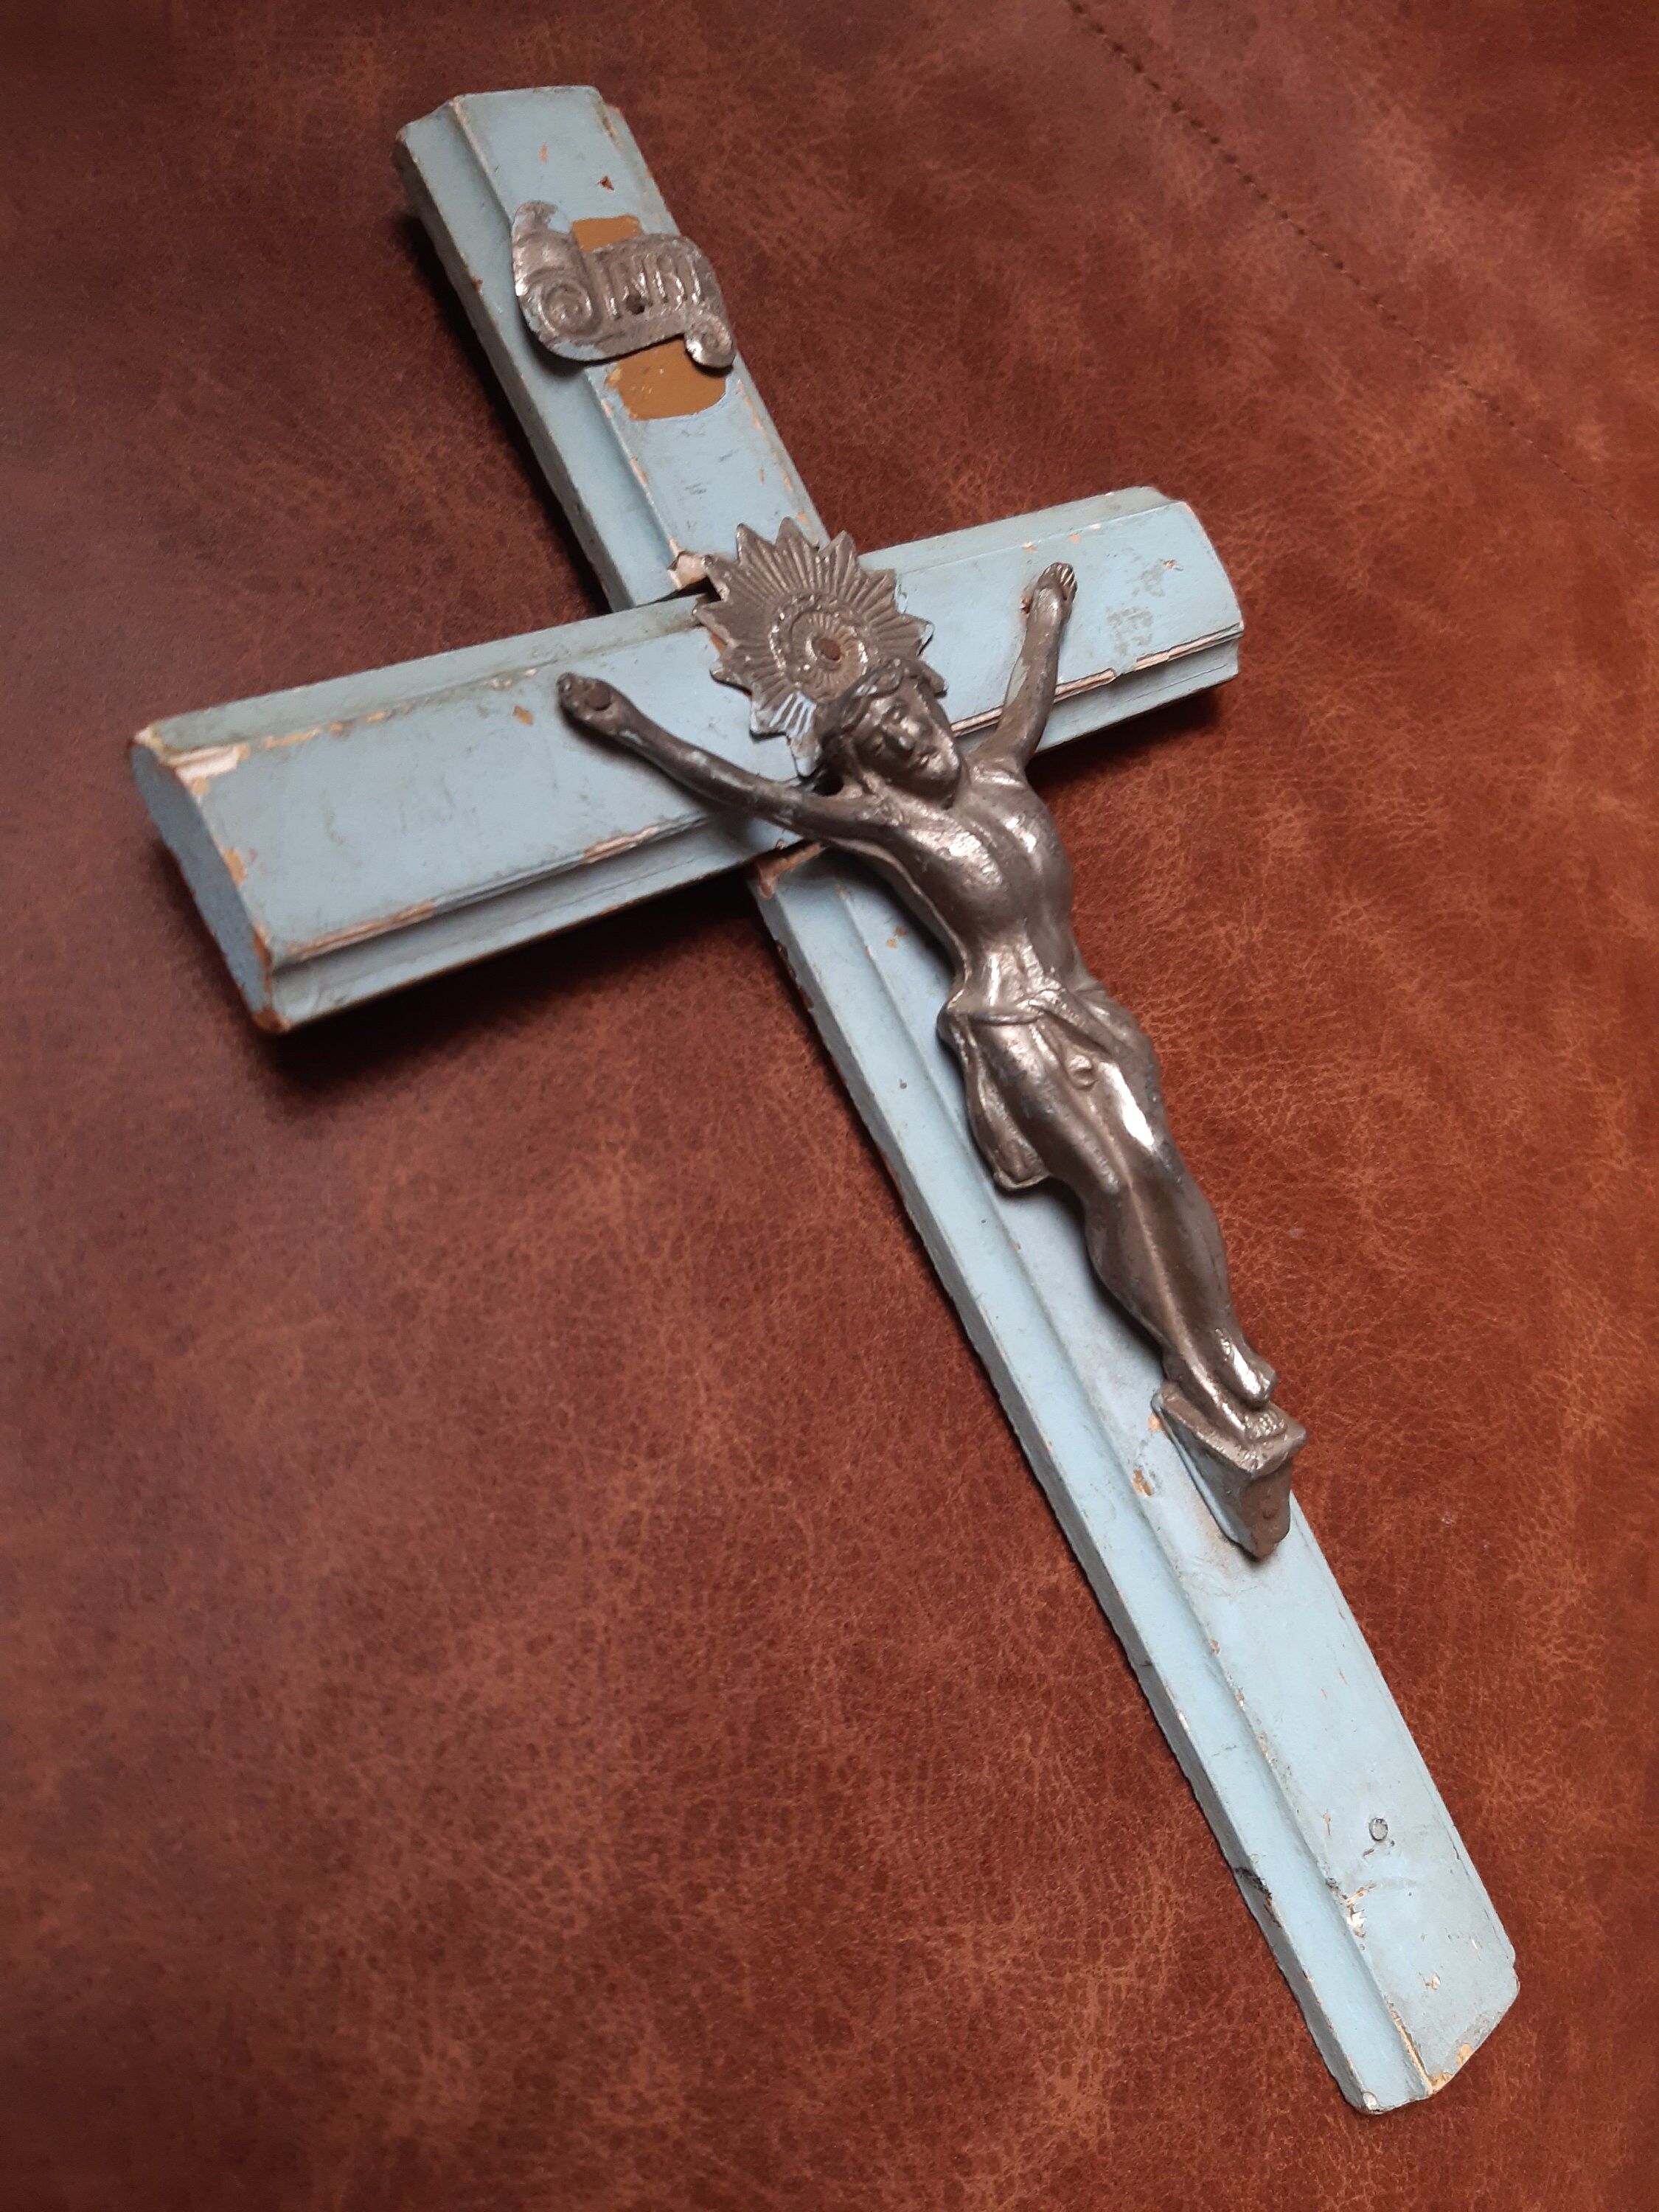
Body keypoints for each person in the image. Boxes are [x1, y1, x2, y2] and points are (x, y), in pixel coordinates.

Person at [559, 559, 1302, 1551]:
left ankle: (1226, 1364)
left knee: (1160, 1170)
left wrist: (1047, 614)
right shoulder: (884, 822)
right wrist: (632, 729)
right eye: (877, 737)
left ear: (927, 699)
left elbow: (1031, 691)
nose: (904, 733)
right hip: (1015, 1028)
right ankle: (1195, 1374)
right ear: (863, 763)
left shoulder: (1001, 766)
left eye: (905, 710)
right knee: (1116, 1189)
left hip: (1089, 1006)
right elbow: (750, 796)